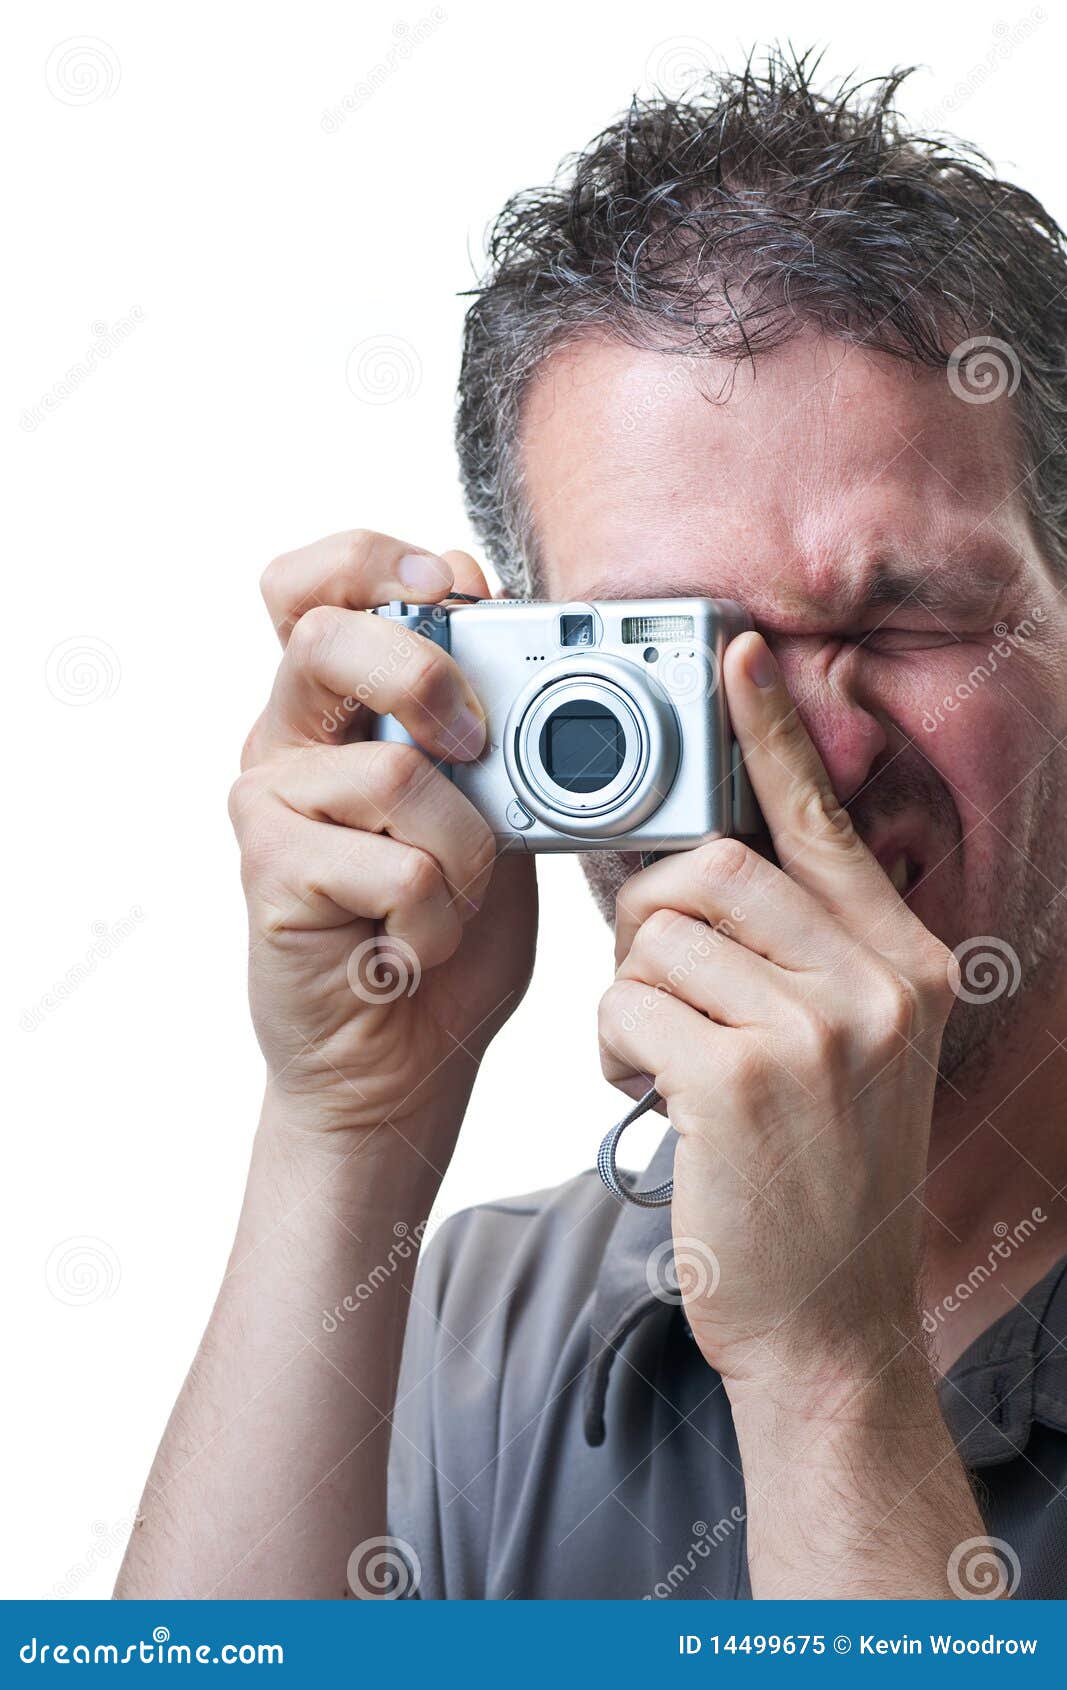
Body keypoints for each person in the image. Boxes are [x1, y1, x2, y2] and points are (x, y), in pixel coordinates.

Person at [116, 52, 1067, 1601]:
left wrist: (829, 1364)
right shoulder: (489, 1326)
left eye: (907, 614)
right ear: (505, 696)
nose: (811, 749)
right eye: (665, 651)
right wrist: (347, 1129)